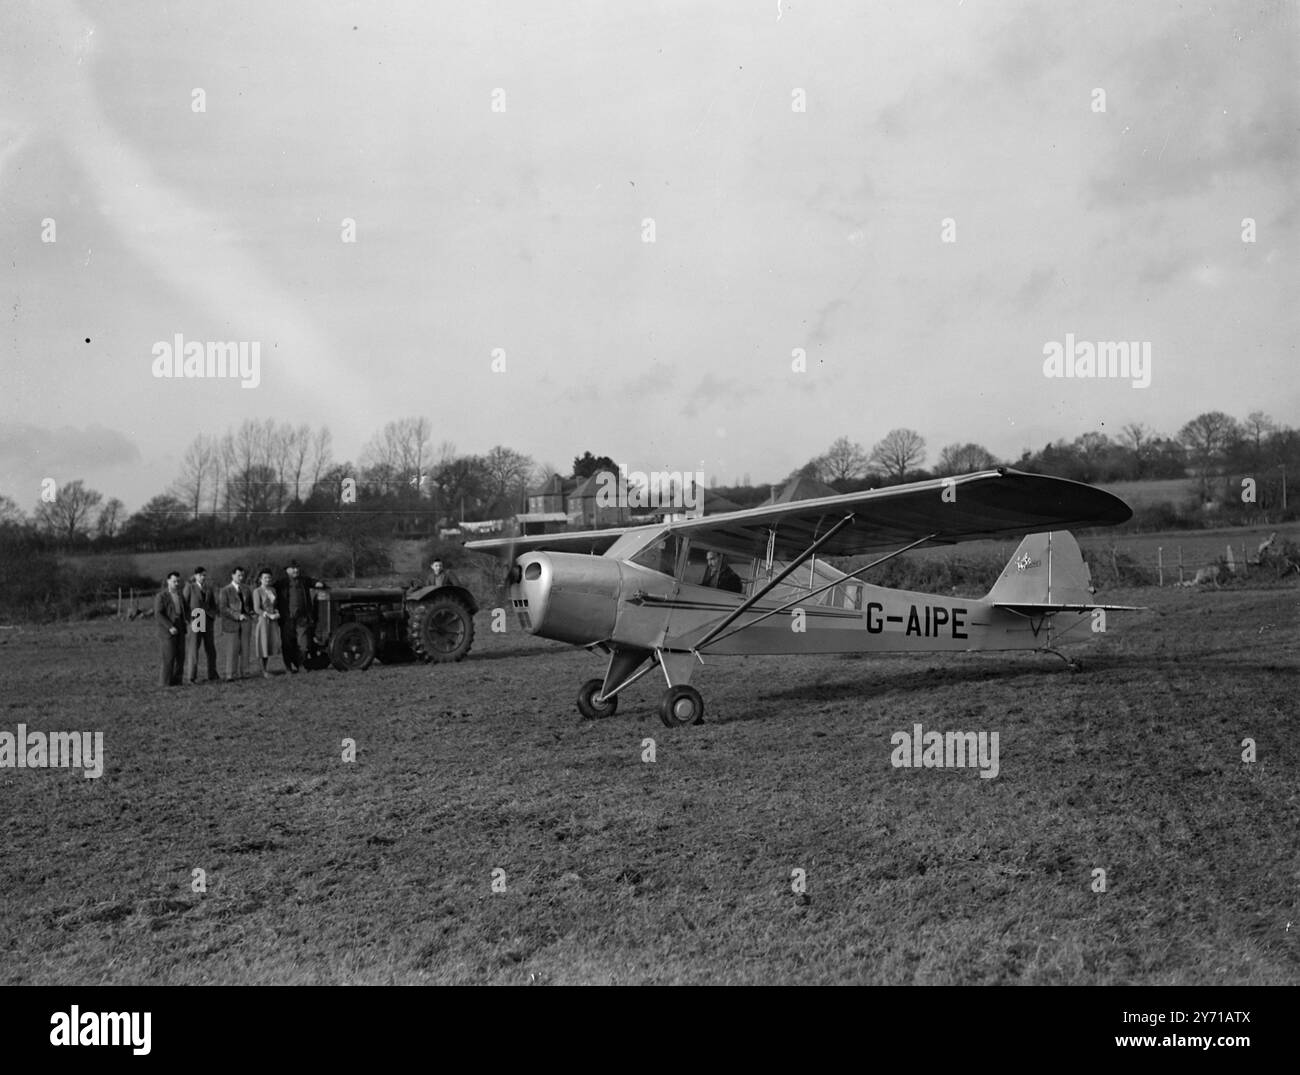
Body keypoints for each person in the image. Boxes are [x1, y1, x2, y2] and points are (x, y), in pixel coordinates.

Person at [274, 560, 318, 673]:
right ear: (287, 570)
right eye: (293, 568)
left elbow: (316, 582)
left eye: (297, 568)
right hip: (287, 619)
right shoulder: (281, 583)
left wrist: (321, 584)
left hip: (303, 617)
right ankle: (288, 667)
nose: (296, 570)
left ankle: (301, 665)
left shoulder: (304, 581)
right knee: (288, 643)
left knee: (303, 643)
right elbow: (266, 588)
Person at [182, 566, 219, 683]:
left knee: (211, 648)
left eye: (205, 575)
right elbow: (184, 605)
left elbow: (213, 604)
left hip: (207, 620)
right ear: (196, 576)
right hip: (196, 620)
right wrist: (189, 619)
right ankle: (191, 676)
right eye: (202, 575)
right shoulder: (190, 587)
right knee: (194, 649)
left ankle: (212, 673)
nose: (204, 577)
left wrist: (212, 615)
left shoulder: (208, 588)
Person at [153, 571, 188, 686]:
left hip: (180, 627)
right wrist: (170, 626)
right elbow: (158, 614)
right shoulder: (161, 596)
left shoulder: (180, 595)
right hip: (167, 629)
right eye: (174, 581)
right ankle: (165, 683)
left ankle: (178, 681)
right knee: (169, 656)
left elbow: (186, 610)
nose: (176, 583)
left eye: (178, 581)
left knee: (180, 656)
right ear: (168, 581)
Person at [217, 566, 251, 680]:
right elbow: (223, 608)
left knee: (245, 648)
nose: (241, 578)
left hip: (245, 623)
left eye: (242, 575)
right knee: (233, 649)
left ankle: (244, 672)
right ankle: (230, 674)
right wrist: (237, 616)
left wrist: (250, 614)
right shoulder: (225, 590)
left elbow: (249, 605)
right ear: (232, 575)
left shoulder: (246, 589)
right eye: (239, 575)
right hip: (231, 624)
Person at [251, 568, 282, 678]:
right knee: (262, 645)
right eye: (265, 578)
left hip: (273, 621)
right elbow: (256, 608)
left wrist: (277, 612)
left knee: (269, 644)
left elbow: (275, 605)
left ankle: (266, 668)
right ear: (260, 579)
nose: (267, 579)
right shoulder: (257, 591)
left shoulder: (273, 590)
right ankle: (263, 670)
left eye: (269, 577)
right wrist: (268, 615)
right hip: (263, 620)